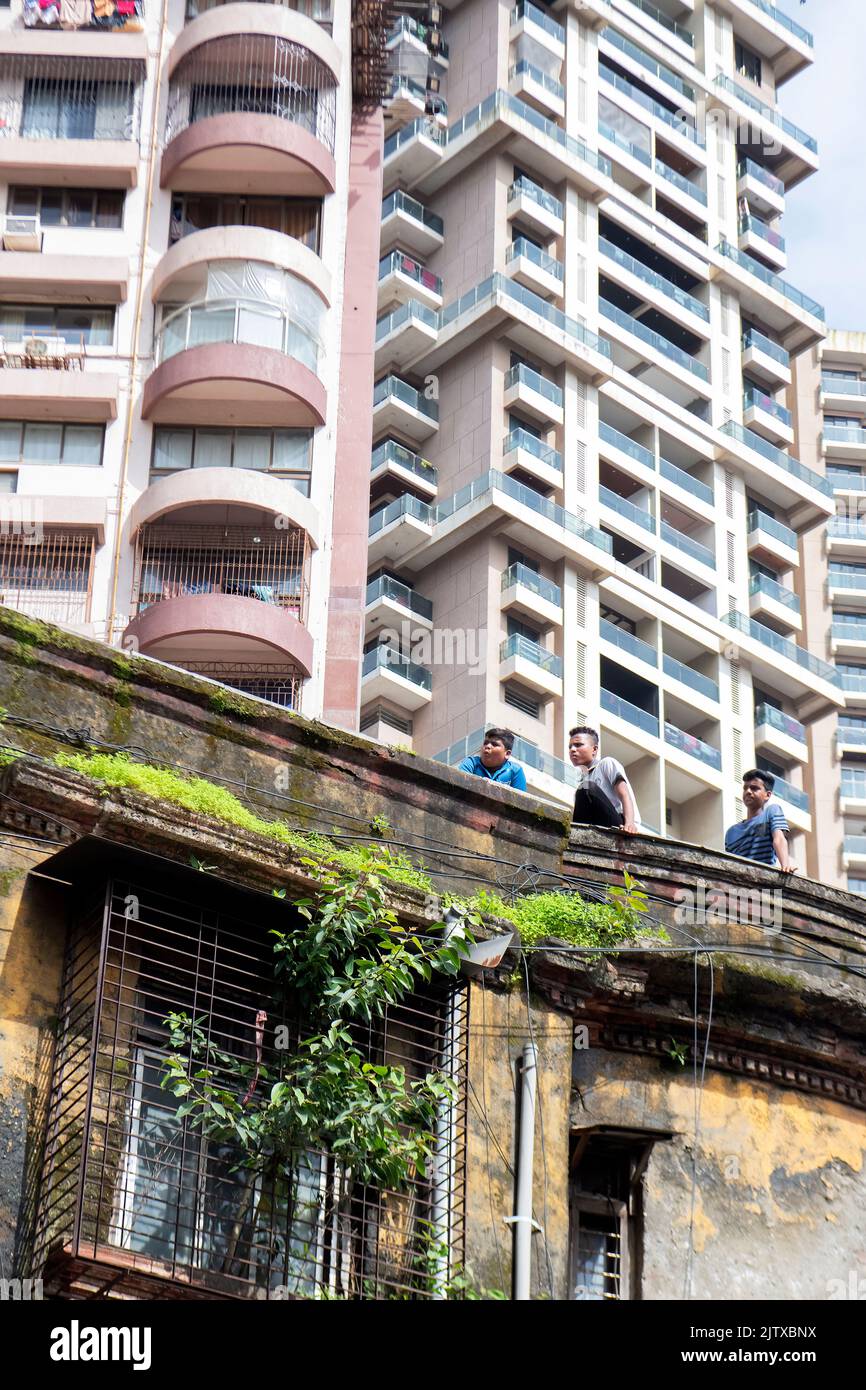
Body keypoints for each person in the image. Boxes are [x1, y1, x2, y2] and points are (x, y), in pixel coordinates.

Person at [568, 726, 640, 833]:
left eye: (578, 745)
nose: (573, 749)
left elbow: (624, 794)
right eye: (570, 747)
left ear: (594, 749)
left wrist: (629, 823)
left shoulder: (606, 763)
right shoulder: (583, 780)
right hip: (598, 825)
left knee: (586, 788)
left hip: (620, 822)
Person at [725, 769, 795, 872]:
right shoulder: (731, 832)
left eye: (754, 788)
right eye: (745, 788)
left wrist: (785, 865)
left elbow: (779, 839)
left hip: (763, 881)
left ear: (767, 795)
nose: (748, 791)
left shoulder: (771, 812)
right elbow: (729, 864)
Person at [458, 728, 527, 791]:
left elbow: (522, 800)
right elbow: (459, 787)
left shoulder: (515, 771)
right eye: (485, 743)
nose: (487, 746)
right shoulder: (471, 763)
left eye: (494, 744)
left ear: (507, 754)